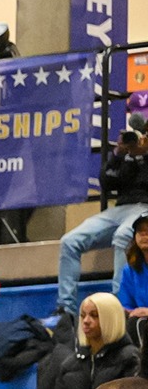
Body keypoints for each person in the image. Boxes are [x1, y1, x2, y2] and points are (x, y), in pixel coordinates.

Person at [56, 133, 148, 318]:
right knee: (70, 241)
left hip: (145, 208)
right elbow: (106, 183)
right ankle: (66, 312)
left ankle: (117, 308)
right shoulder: (127, 156)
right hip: (120, 209)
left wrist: (144, 155)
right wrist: (119, 154)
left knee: (123, 235)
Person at [119, 214, 148, 313]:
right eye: (140, 230)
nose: (144, 235)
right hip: (139, 320)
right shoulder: (129, 270)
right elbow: (126, 305)